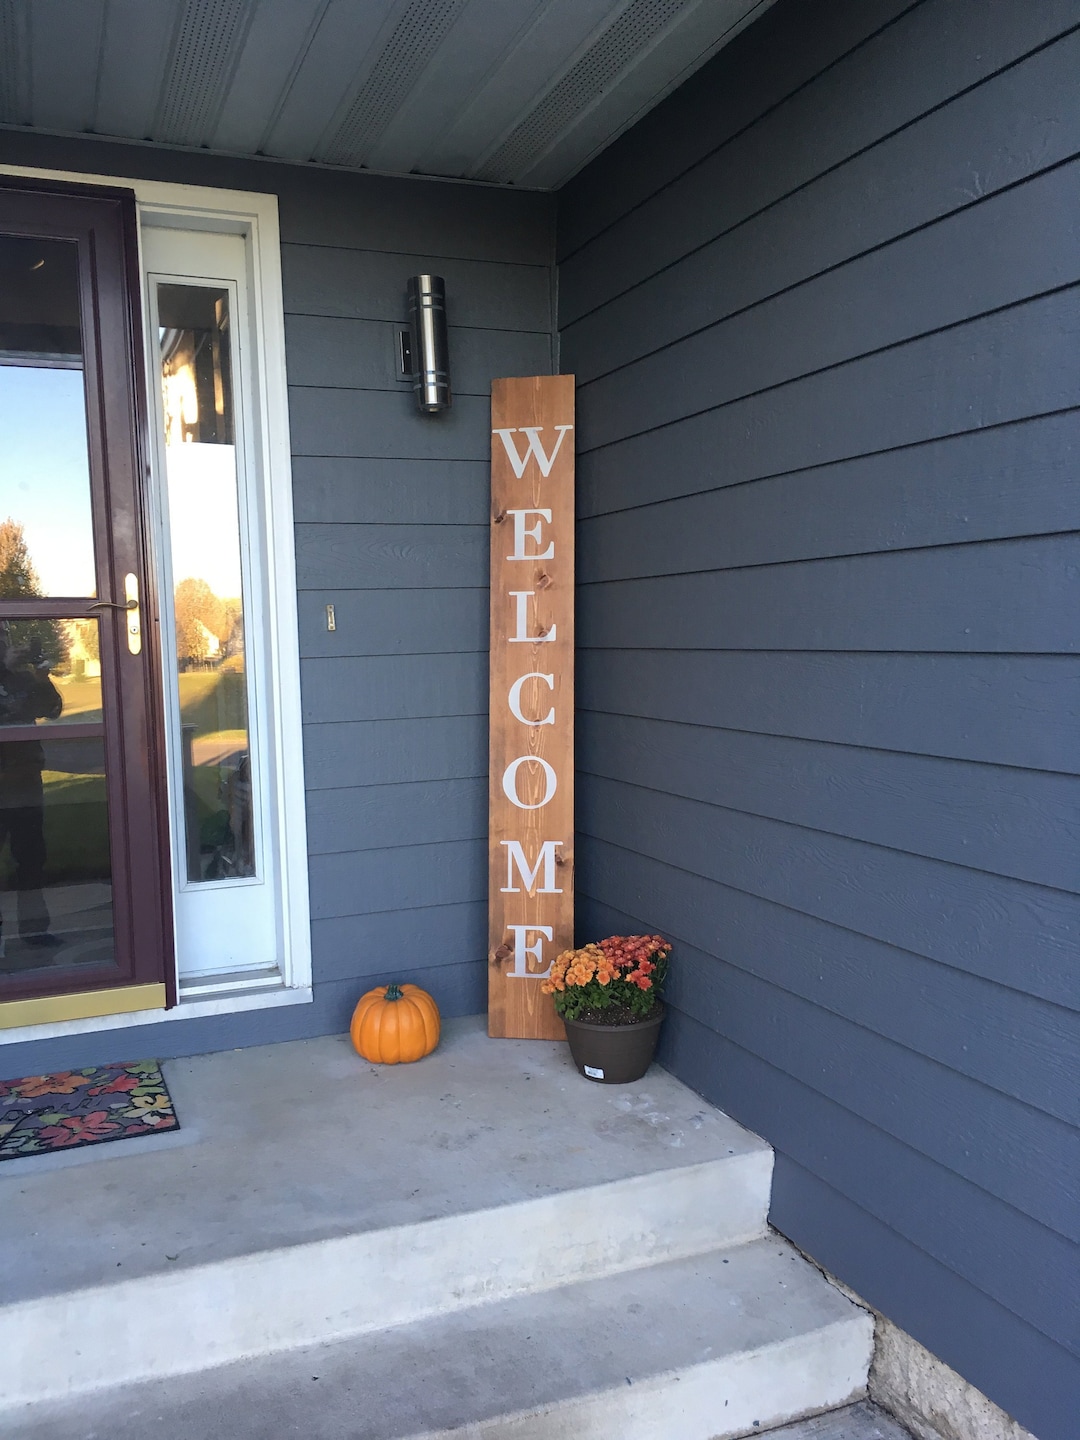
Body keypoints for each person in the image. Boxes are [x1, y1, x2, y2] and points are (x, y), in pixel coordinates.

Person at [0, 622, 63, 956]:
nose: (4, 643)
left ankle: (35, 930)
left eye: (5, 637)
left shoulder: (24, 680)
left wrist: (41, 678)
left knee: (31, 858)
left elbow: (52, 710)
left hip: (25, 780)